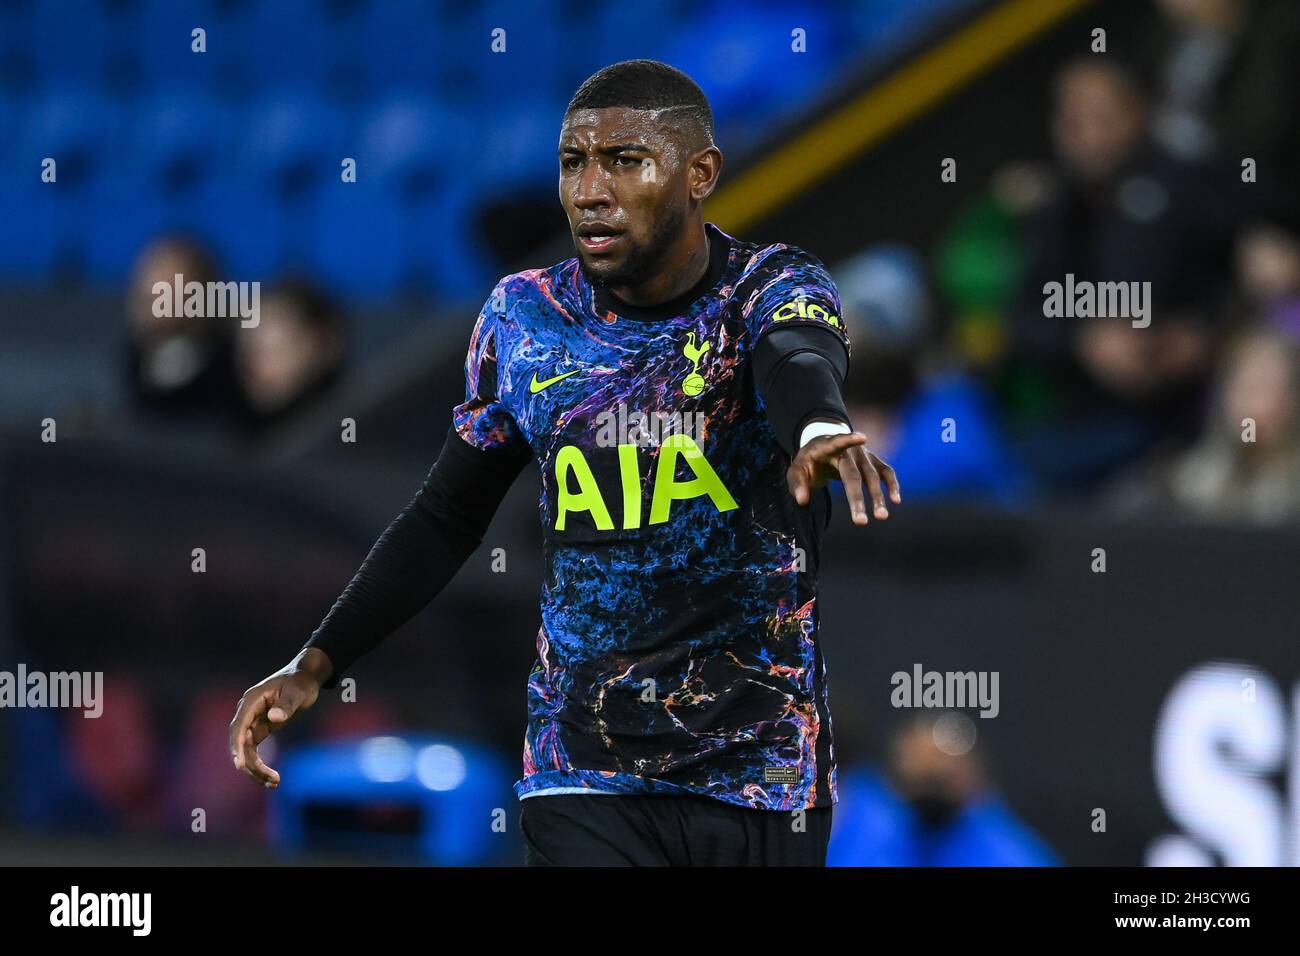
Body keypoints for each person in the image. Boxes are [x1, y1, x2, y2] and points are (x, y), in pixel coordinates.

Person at [229, 60, 901, 867]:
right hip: (582, 769)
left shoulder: (768, 285)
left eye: (624, 160)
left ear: (701, 175)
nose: (590, 189)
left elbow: (797, 356)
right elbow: (446, 516)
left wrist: (819, 425)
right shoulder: (524, 319)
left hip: (755, 772)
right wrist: (318, 660)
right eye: (572, 162)